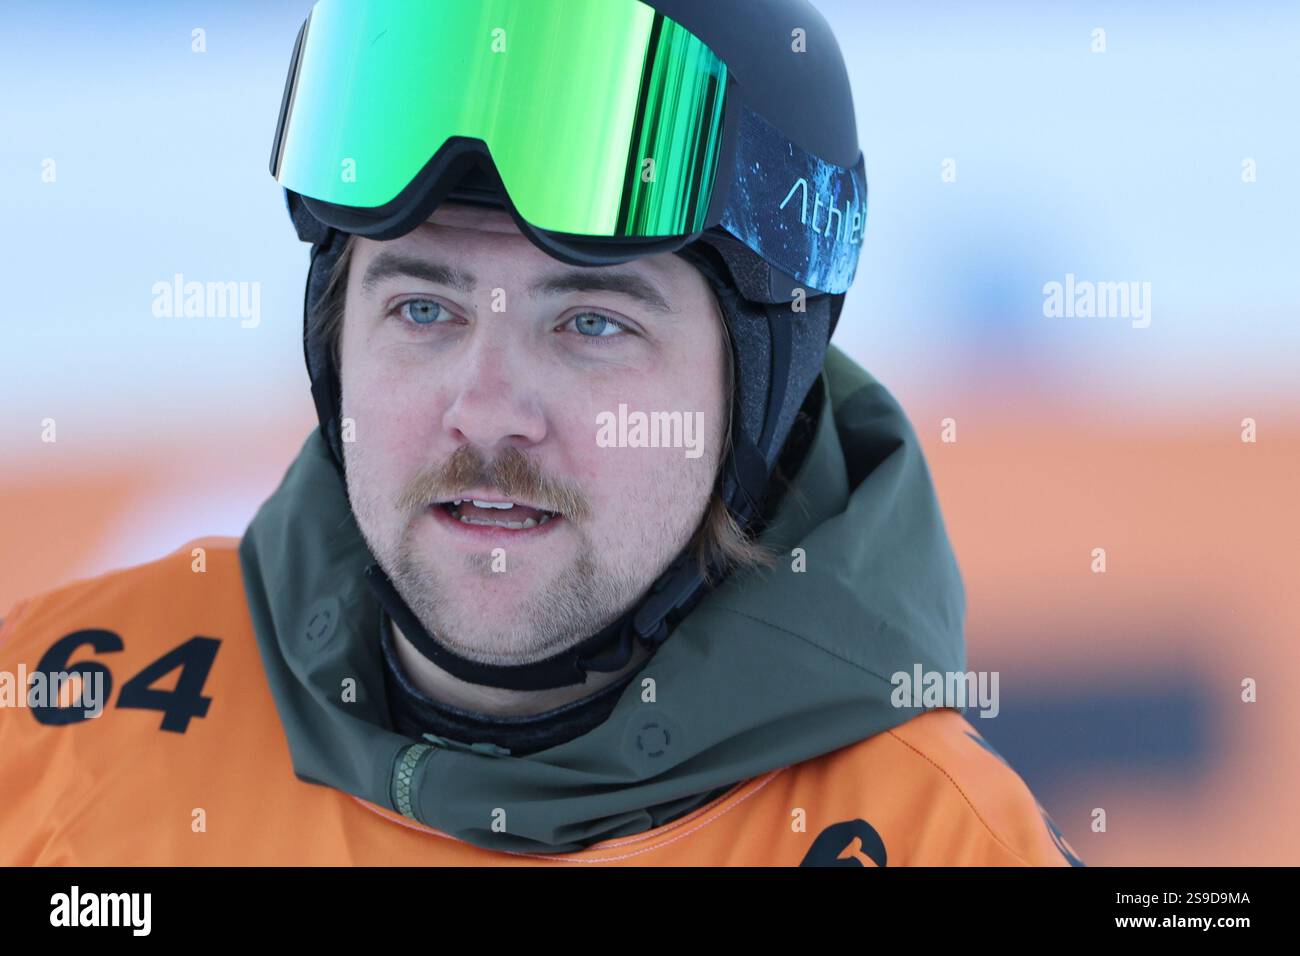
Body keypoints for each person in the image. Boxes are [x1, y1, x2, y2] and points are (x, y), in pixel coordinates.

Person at [0, 0, 1082, 866]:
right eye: (424, 310)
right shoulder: (49, 721)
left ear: (760, 389)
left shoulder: (949, 845)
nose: (485, 410)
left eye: (590, 324)